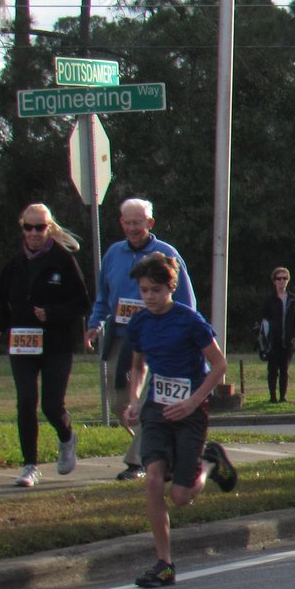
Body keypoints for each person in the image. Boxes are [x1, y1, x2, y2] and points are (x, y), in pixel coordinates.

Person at [123, 254, 238, 587]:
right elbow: (139, 365)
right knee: (153, 479)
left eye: (155, 290)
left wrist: (192, 401)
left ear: (170, 287)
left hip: (190, 410)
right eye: (144, 290)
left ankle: (209, 462)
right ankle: (164, 563)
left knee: (181, 496)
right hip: (157, 410)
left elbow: (218, 365)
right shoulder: (140, 322)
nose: (148, 297)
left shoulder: (189, 321)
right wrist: (134, 399)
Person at [86, 198, 195, 482]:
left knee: (147, 400)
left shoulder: (166, 254)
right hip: (122, 338)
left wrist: (182, 333)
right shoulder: (113, 254)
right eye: (128, 222)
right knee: (120, 403)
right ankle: (154, 447)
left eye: (139, 222)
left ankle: (139, 461)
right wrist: (94, 324)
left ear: (150, 223)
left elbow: (186, 300)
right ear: (121, 223)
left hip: (158, 339)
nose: (133, 228)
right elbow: (103, 297)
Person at [0, 204, 90, 488]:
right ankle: (29, 465)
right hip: (22, 343)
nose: (34, 233)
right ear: (23, 228)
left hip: (56, 344)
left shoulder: (63, 261)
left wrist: (53, 313)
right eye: (29, 227)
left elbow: (82, 303)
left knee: (51, 405)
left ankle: (67, 437)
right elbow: (2, 305)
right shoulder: (13, 265)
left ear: (50, 228)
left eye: (40, 227)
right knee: (25, 402)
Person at [258, 267, 295, 402]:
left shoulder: (294, 299)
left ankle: (283, 397)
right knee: (272, 370)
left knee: (285, 370)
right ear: (274, 281)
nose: (282, 281)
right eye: (279, 278)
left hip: (288, 340)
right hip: (273, 340)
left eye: (285, 278)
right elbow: (262, 317)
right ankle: (272, 397)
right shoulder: (269, 299)